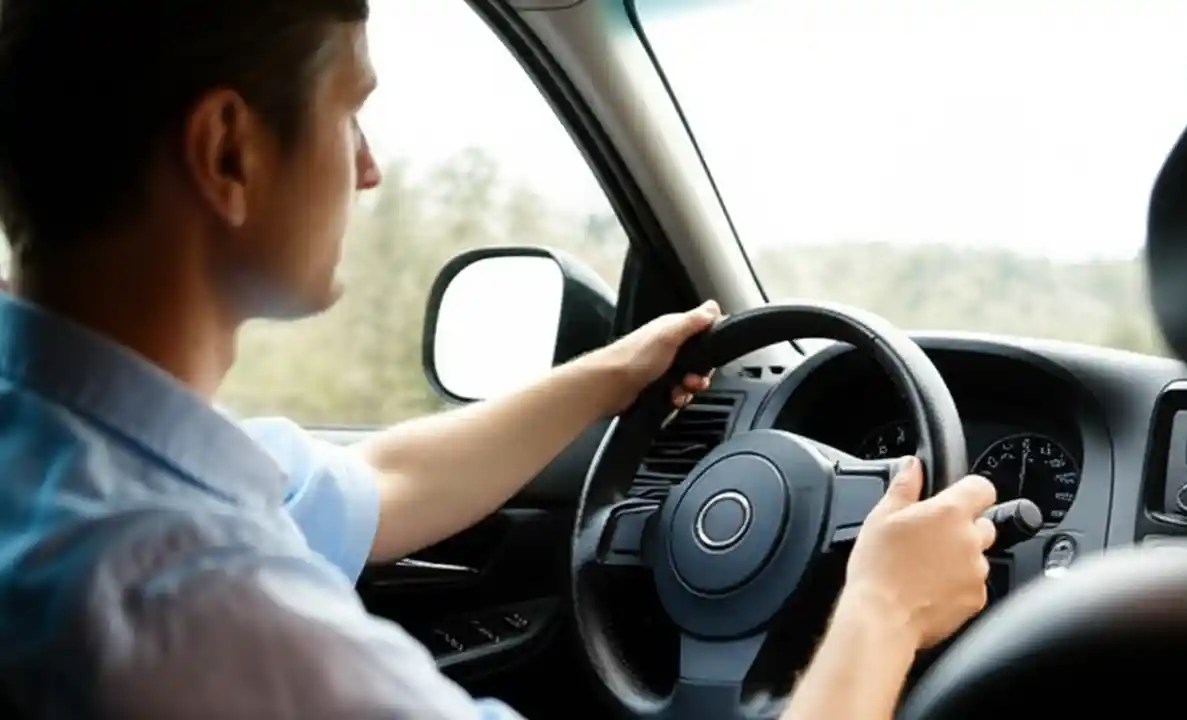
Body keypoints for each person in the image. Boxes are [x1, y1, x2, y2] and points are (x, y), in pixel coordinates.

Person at [0, 1, 997, 717]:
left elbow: (379, 484)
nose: (368, 167)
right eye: (352, 107)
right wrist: (881, 608)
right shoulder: (207, 619)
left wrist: (609, 378)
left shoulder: (67, 445)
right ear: (226, 153)